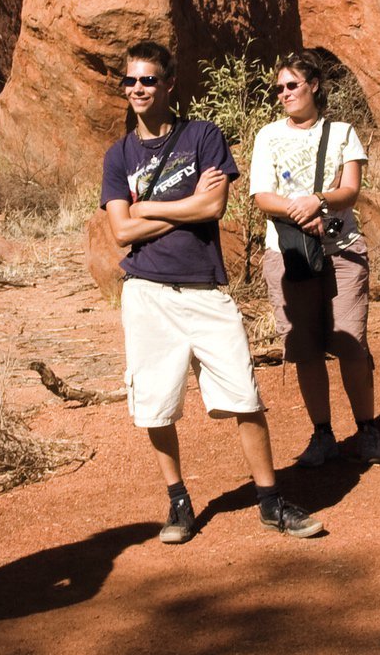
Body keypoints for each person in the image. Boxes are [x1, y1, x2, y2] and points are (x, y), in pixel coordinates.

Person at [101, 41, 322, 544]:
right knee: (156, 404)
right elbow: (120, 233)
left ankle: (270, 501)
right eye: (131, 80)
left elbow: (212, 209)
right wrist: (183, 203)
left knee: (244, 396)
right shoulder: (119, 155)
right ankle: (178, 502)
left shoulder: (202, 136)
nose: (138, 88)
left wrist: (146, 210)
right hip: (146, 293)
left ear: (168, 84)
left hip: (205, 289)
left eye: (148, 80)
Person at [249, 51, 380, 466]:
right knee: (304, 349)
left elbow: (350, 190)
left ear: (314, 86)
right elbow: (261, 195)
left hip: (341, 251)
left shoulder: (342, 132)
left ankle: (367, 430)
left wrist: (317, 201)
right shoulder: (268, 136)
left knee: (350, 342)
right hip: (289, 252)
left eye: (292, 85)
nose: (284, 94)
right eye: (279, 88)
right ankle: (323, 435)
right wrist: (298, 212)